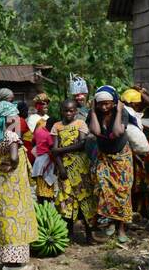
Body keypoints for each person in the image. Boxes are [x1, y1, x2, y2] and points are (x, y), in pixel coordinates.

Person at [0, 97, 37, 270]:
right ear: (6, 118)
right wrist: (12, 164)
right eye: (12, 116)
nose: (15, 118)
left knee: (3, 221)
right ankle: (14, 265)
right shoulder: (10, 135)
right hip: (12, 186)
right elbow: (14, 157)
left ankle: (4, 260)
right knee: (16, 220)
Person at [88, 87, 134, 242]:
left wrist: (119, 111)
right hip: (104, 157)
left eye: (107, 104)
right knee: (103, 188)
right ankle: (109, 223)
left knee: (122, 191)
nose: (104, 107)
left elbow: (118, 132)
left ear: (114, 103)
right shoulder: (95, 113)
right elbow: (95, 131)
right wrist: (93, 112)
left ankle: (121, 228)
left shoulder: (122, 113)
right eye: (100, 104)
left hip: (121, 158)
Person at [50, 97, 98, 243]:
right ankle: (68, 235)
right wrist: (60, 167)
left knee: (86, 199)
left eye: (71, 110)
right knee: (67, 200)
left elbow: (82, 144)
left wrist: (60, 150)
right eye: (66, 110)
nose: (69, 113)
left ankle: (89, 235)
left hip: (80, 167)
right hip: (64, 168)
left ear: (76, 111)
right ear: (61, 111)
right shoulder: (56, 126)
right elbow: (54, 151)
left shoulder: (80, 124)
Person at [124, 87, 149, 221]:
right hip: (137, 154)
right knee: (137, 181)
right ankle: (138, 211)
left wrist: (141, 91)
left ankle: (147, 212)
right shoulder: (129, 116)